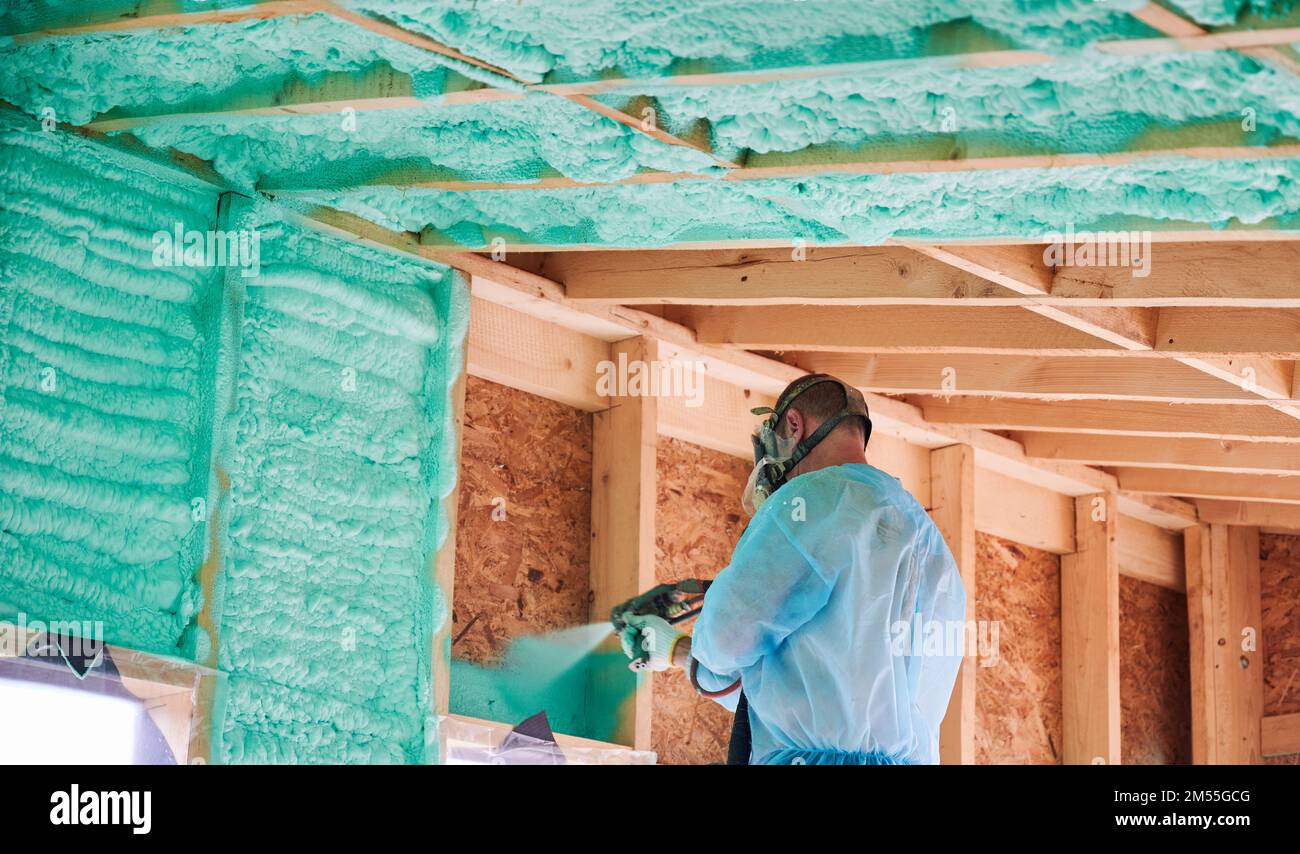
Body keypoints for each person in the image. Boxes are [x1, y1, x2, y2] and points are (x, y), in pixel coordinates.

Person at [620, 374, 966, 764]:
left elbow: (728, 637)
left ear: (794, 426)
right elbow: (804, 692)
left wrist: (696, 646)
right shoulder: (933, 546)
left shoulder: (813, 499)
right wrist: (672, 650)